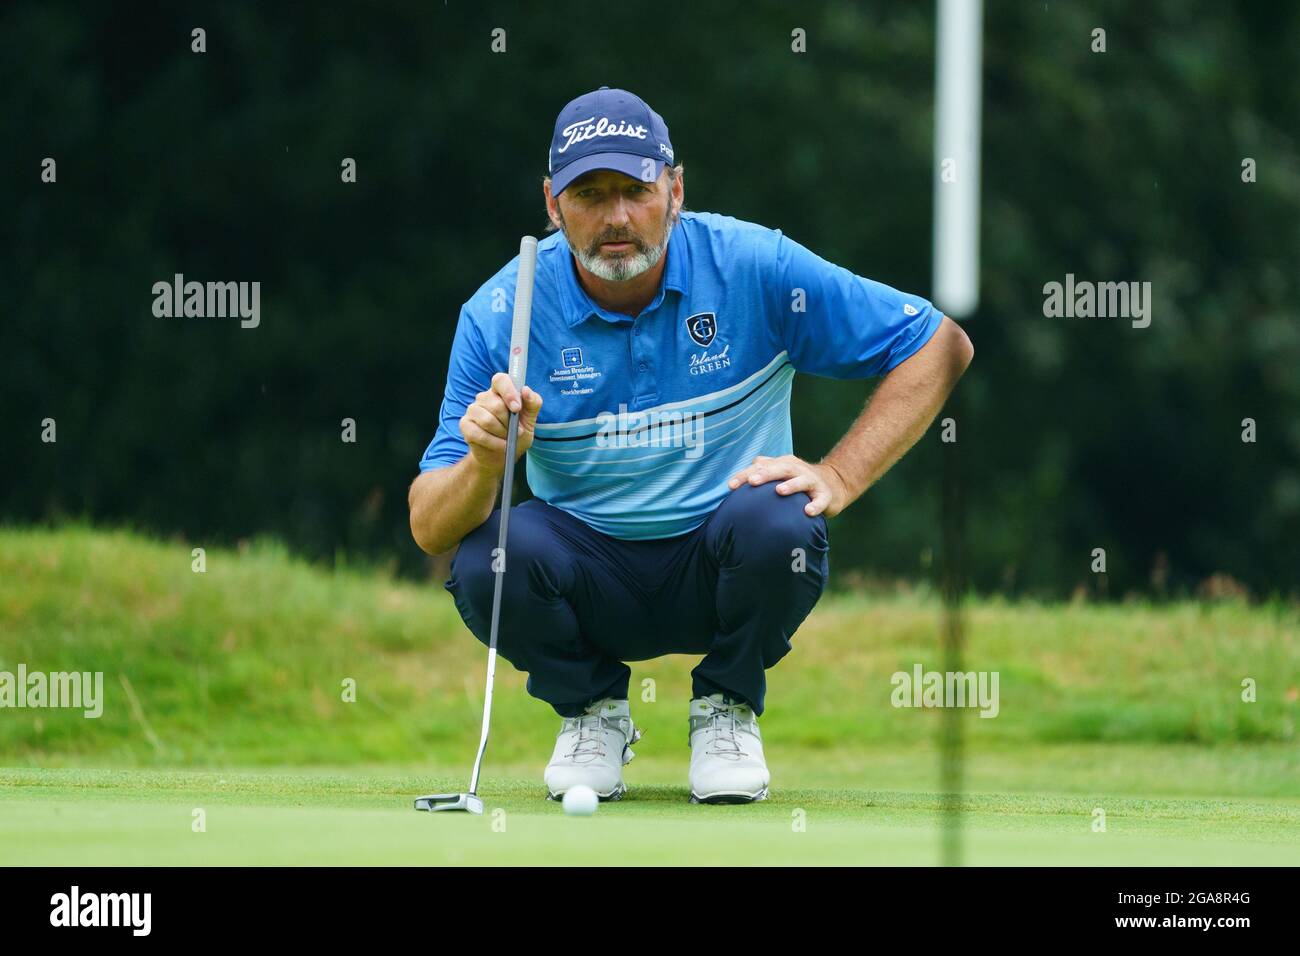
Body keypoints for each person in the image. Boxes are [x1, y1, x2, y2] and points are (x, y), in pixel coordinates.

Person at [409, 86, 973, 804]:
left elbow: (937, 343)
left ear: (675, 189)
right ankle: (591, 711)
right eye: (590, 194)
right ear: (552, 203)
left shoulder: (754, 266)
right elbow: (430, 526)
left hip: (724, 558)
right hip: (588, 574)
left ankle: (727, 707)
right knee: (489, 554)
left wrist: (841, 472)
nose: (616, 217)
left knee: (780, 517)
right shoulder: (502, 311)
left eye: (636, 190)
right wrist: (487, 463)